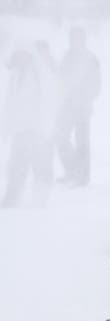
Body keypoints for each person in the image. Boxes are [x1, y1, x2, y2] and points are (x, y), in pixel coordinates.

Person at [1, 44, 57, 207]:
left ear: (28, 56)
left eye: (21, 55)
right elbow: (9, 104)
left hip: (37, 129)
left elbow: (48, 101)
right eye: (17, 56)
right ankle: (12, 197)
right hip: (21, 130)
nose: (19, 59)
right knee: (16, 165)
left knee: (40, 165)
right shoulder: (15, 76)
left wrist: (47, 128)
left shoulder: (39, 75)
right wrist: (6, 127)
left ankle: (40, 199)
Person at [55, 27, 101, 187]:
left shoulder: (90, 58)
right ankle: (72, 171)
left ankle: (82, 177)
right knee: (61, 139)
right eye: (72, 37)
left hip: (82, 107)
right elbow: (58, 79)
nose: (75, 41)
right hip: (65, 107)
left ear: (83, 39)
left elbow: (96, 85)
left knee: (82, 143)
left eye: (78, 38)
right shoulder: (66, 57)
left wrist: (84, 97)